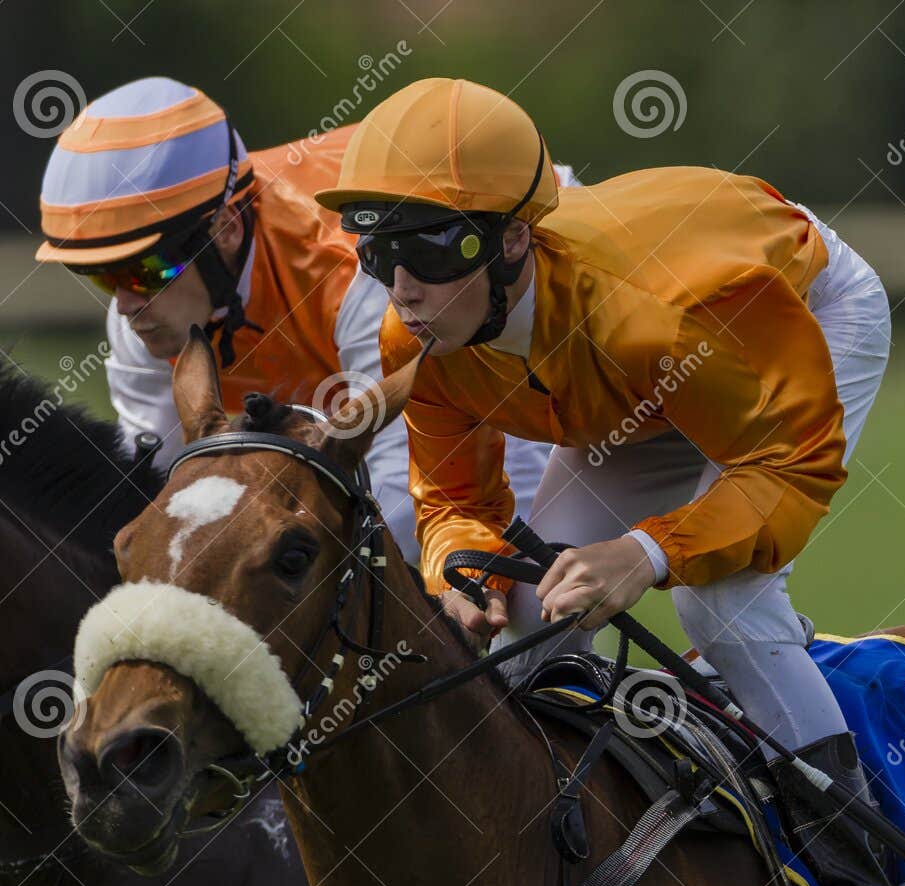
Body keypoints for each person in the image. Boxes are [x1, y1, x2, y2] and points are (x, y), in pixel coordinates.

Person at [315, 77, 905, 886]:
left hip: (773, 330)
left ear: (513, 239)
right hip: (633, 377)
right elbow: (455, 500)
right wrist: (458, 560)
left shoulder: (659, 314)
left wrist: (646, 552)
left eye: (427, 250)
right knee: (526, 611)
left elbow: (791, 467)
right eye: (379, 252)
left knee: (721, 603)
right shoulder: (426, 327)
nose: (403, 287)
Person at [34, 76, 562, 562]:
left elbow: (408, 500)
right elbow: (159, 495)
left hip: (503, 272)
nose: (124, 305)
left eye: (144, 270)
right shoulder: (142, 309)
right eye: (102, 277)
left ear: (224, 229)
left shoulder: (360, 273)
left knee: (501, 578)